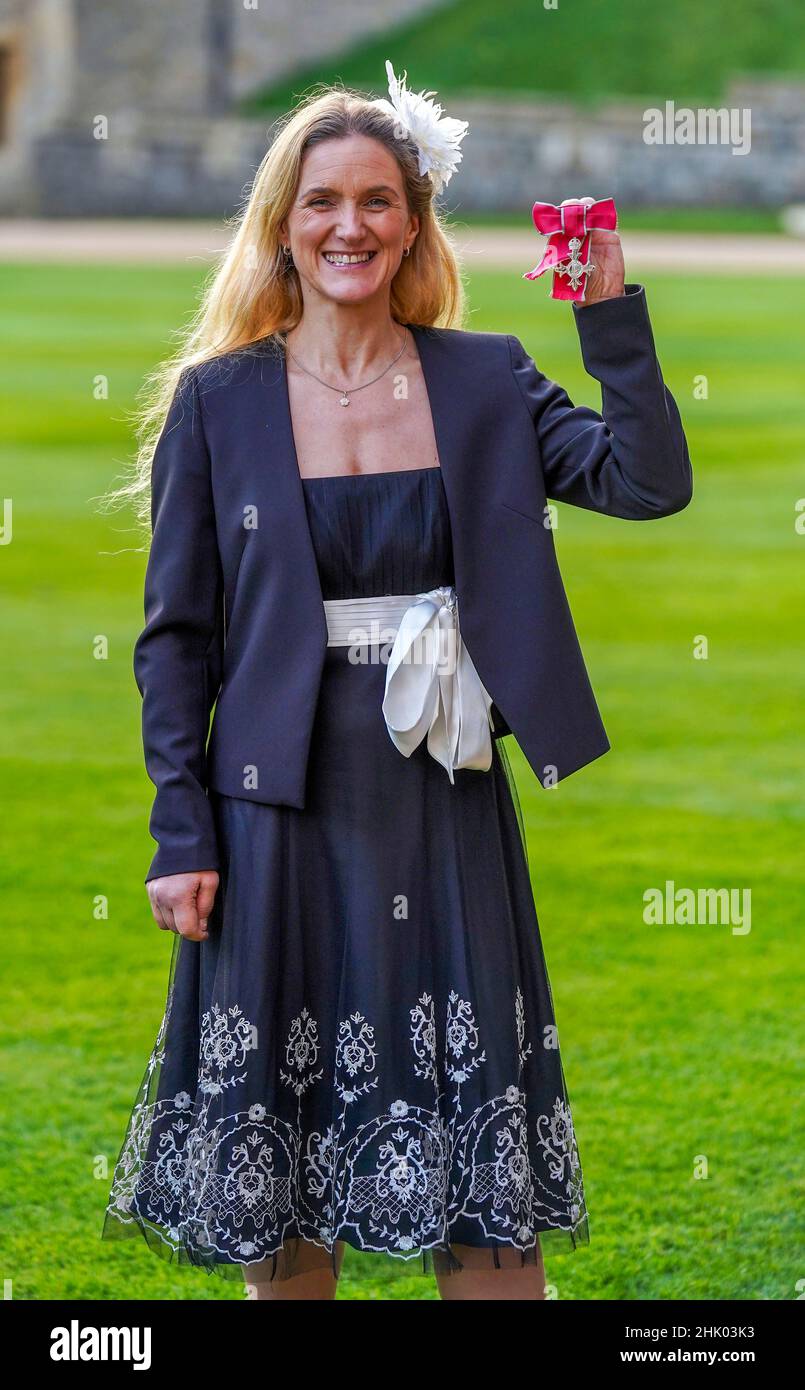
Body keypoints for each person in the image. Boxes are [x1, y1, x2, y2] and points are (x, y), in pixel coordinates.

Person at [101, 61, 692, 1301]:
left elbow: (646, 482)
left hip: (441, 800)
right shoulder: (219, 403)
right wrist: (180, 832)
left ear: (413, 223)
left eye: (378, 200)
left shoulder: (483, 378)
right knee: (286, 1186)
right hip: (275, 813)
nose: (349, 226)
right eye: (322, 201)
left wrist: (608, 314)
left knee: (482, 1190)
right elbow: (176, 640)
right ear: (283, 224)